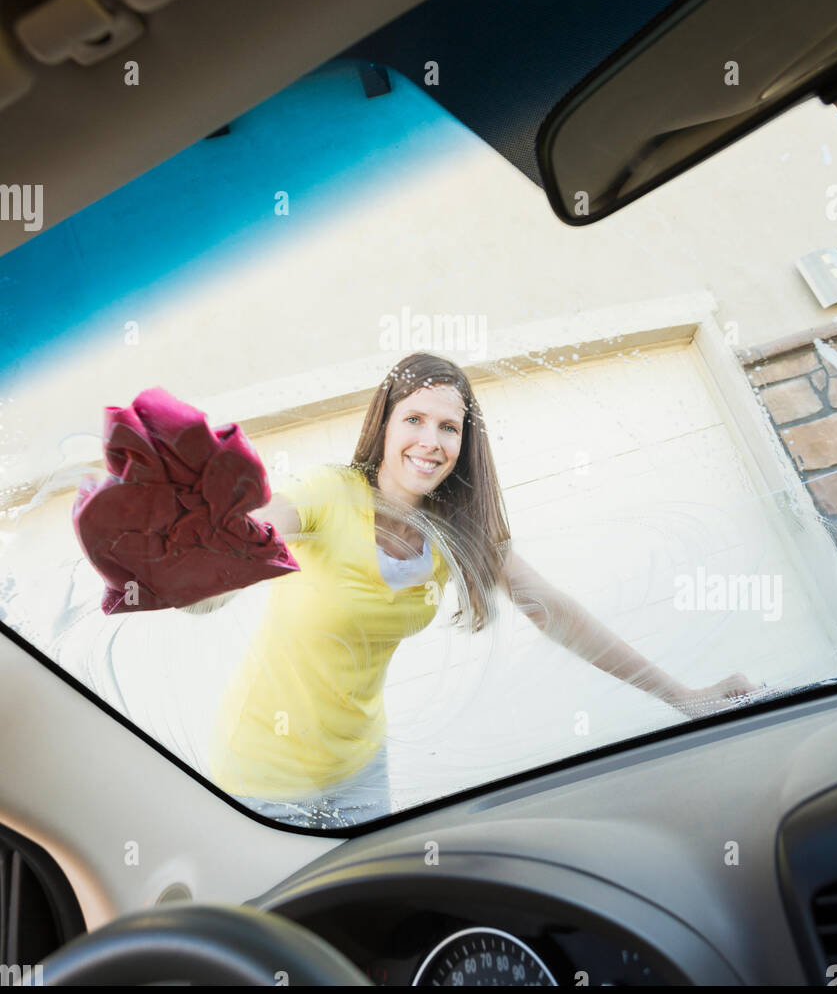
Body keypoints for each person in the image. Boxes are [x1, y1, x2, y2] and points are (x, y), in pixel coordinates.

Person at [207, 353, 760, 826]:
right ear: (385, 426)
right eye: (415, 419)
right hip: (261, 773)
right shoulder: (328, 493)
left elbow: (559, 614)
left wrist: (683, 697)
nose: (431, 441)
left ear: (465, 442)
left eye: (449, 427)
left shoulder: (456, 531)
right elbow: (258, 530)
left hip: (357, 768)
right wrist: (208, 571)